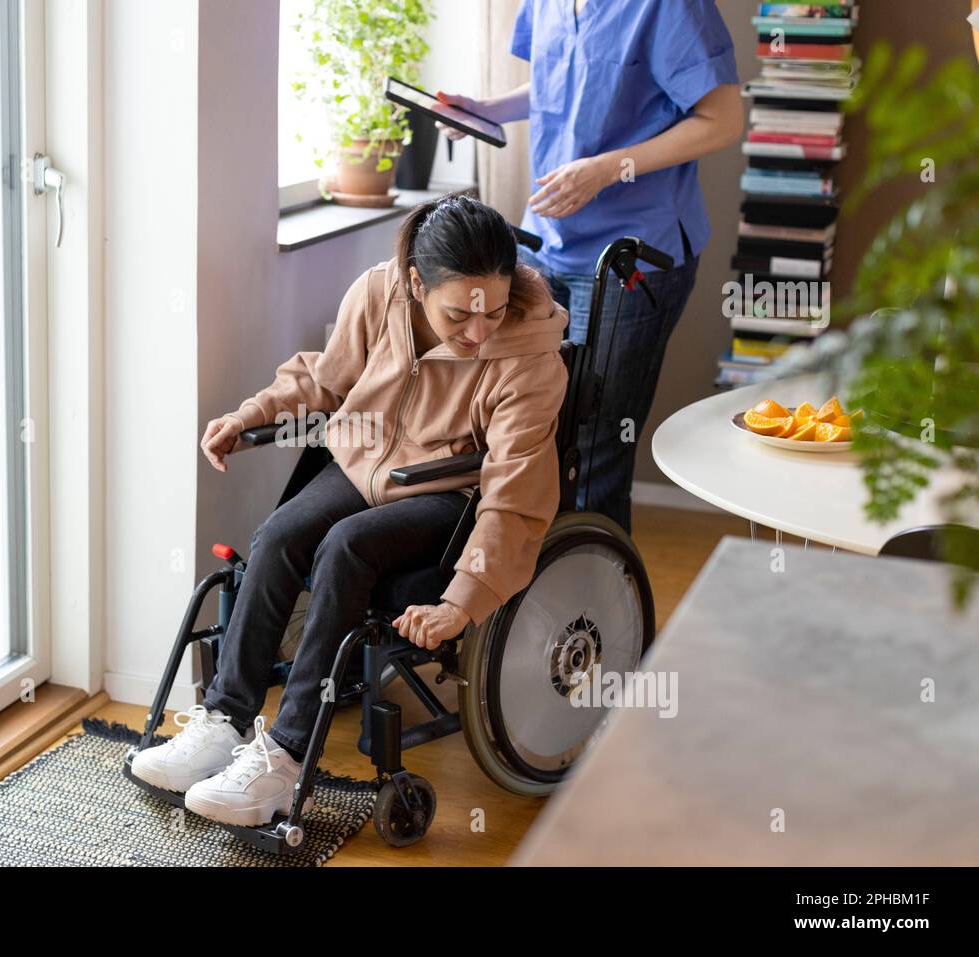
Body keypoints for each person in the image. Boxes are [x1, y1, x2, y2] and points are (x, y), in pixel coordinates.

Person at [131, 195, 569, 827]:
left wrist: (464, 601)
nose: (478, 333)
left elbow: (515, 497)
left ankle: (283, 757)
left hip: (448, 495)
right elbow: (327, 381)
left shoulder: (530, 359)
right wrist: (251, 414)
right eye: (458, 314)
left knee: (346, 546)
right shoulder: (377, 295)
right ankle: (225, 721)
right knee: (279, 534)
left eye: (493, 312)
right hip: (364, 464)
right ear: (416, 283)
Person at [436, 0, 742, 533]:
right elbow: (560, 86)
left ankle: (595, 601)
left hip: (635, 249)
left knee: (598, 438)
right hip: (548, 241)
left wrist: (608, 168)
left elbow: (722, 120)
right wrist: (484, 109)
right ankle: (536, 592)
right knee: (532, 423)